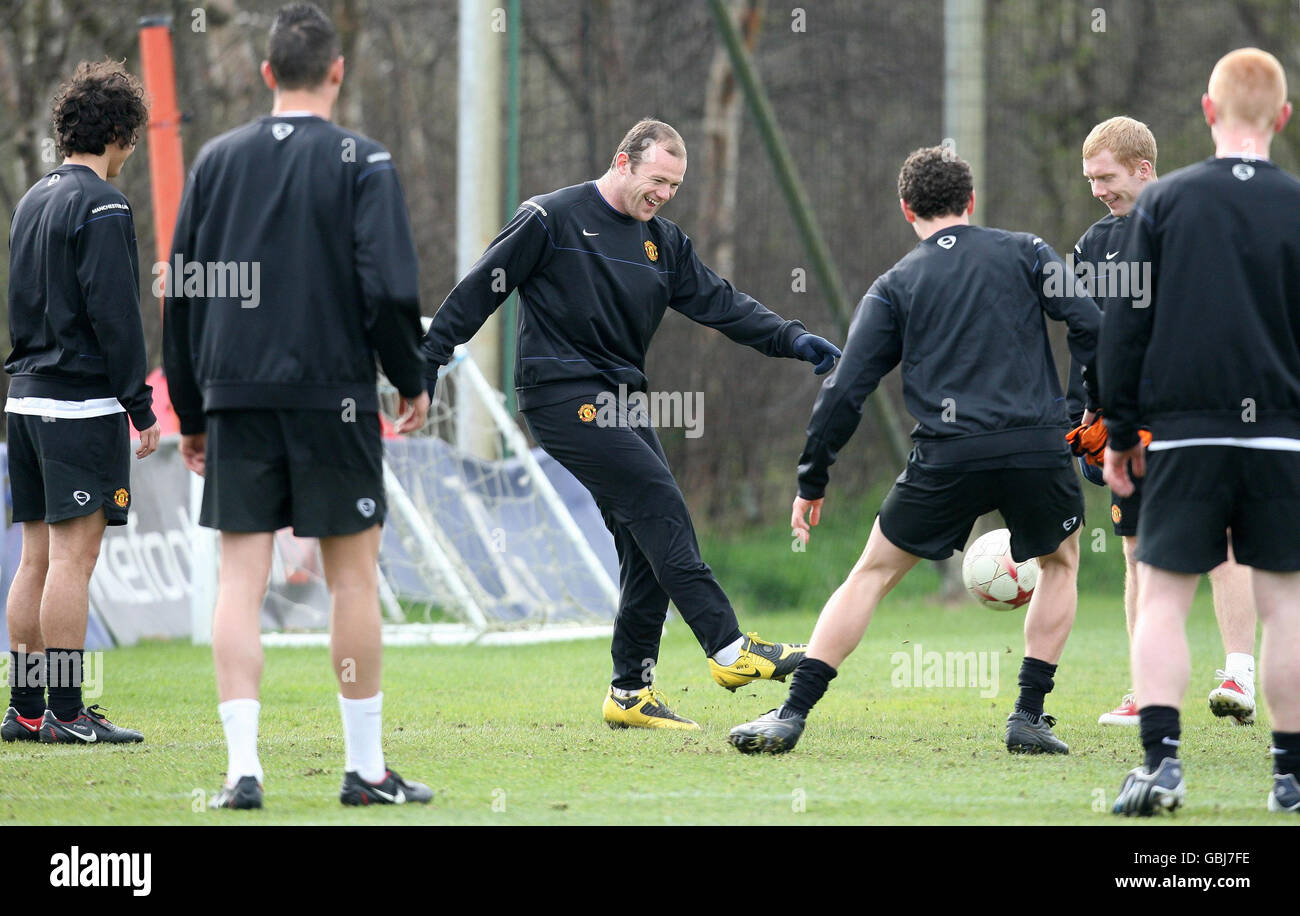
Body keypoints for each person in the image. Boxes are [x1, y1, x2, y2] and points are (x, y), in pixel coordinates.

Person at [421, 119, 841, 730]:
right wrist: (431, 358)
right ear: (623, 161)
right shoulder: (549, 219)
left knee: (647, 542)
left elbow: (724, 305)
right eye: (658, 180)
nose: (665, 194)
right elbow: (480, 288)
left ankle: (629, 692)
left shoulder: (664, 244)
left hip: (623, 402)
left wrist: (794, 338)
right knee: (659, 501)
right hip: (562, 396)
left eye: (675, 185)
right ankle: (728, 648)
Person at [729, 146, 1100, 755]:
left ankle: (792, 714)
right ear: (971, 202)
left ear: (907, 210)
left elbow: (846, 387)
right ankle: (1028, 717)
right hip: (1035, 447)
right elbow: (1092, 325)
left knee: (870, 575)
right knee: (1060, 564)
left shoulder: (895, 285)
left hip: (947, 457)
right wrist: (1087, 404)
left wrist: (812, 480)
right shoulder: (1029, 252)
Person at [162, 2, 431, 809]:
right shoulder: (364, 160)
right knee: (351, 582)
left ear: (267, 72)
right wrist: (409, 375)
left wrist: (191, 408)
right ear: (337, 74)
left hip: (236, 397)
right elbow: (388, 287)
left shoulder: (215, 161)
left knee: (238, 581)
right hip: (334, 401)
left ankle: (243, 772)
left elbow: (182, 293)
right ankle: (365, 770)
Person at [1103, 48, 1300, 816]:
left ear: (1209, 111)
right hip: (1283, 438)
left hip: (1183, 437)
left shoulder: (1164, 203)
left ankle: (1162, 768)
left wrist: (1120, 430)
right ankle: (1288, 779)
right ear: (1281, 118)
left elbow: (1125, 327)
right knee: (1284, 605)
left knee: (1160, 598)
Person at [1064, 116, 1257, 727]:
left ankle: (1239, 676)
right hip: (1127, 425)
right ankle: (1148, 689)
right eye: (1090, 178)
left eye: (1106, 176)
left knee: (1222, 541)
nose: (1097, 189)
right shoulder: (1093, 245)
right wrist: (1086, 410)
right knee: (1139, 553)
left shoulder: (1197, 224)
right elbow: (1086, 336)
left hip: (1199, 412)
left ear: (1143, 169)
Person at [2, 61, 159, 746]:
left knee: (34, 560)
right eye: (134, 138)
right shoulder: (103, 203)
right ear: (119, 132)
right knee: (72, 562)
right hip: (78, 406)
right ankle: (67, 713)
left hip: (25, 402)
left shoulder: (32, 200)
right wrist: (141, 403)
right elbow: (116, 314)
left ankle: (27, 709)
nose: (133, 153)